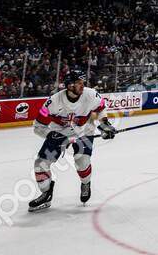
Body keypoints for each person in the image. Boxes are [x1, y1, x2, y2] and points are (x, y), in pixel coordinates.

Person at [28, 69, 114, 212]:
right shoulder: (52, 102)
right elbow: (38, 126)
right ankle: (46, 194)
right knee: (40, 165)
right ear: (69, 85)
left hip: (84, 131)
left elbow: (100, 109)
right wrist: (51, 135)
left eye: (82, 82)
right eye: (79, 83)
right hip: (59, 132)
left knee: (82, 161)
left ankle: (85, 183)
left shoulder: (91, 94)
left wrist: (105, 124)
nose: (82, 85)